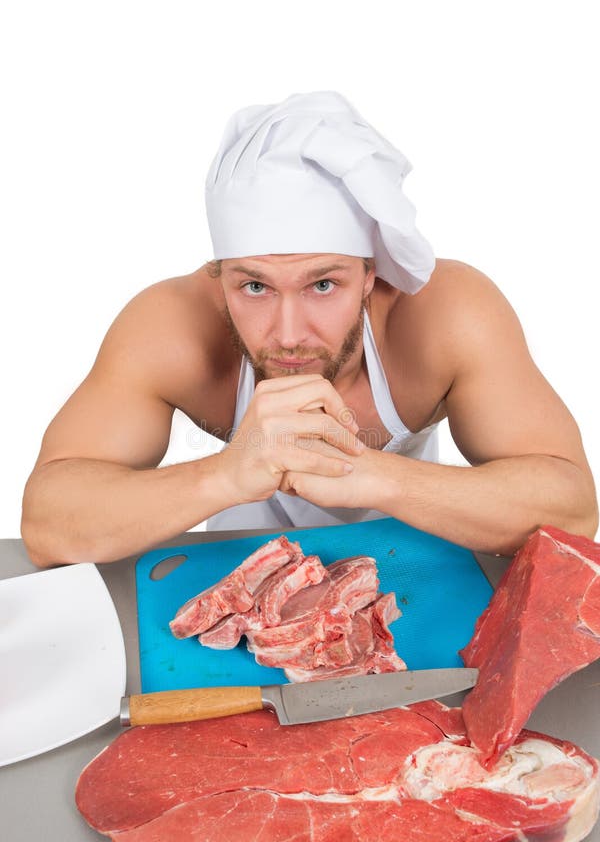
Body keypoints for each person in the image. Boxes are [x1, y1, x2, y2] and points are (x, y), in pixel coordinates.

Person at [21, 92, 598, 568]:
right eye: (255, 287)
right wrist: (223, 477)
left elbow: (573, 509)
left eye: (323, 284)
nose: (289, 333)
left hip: (421, 551)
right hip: (239, 560)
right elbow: (48, 525)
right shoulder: (170, 327)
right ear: (220, 276)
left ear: (370, 275)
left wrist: (373, 475)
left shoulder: (447, 314)